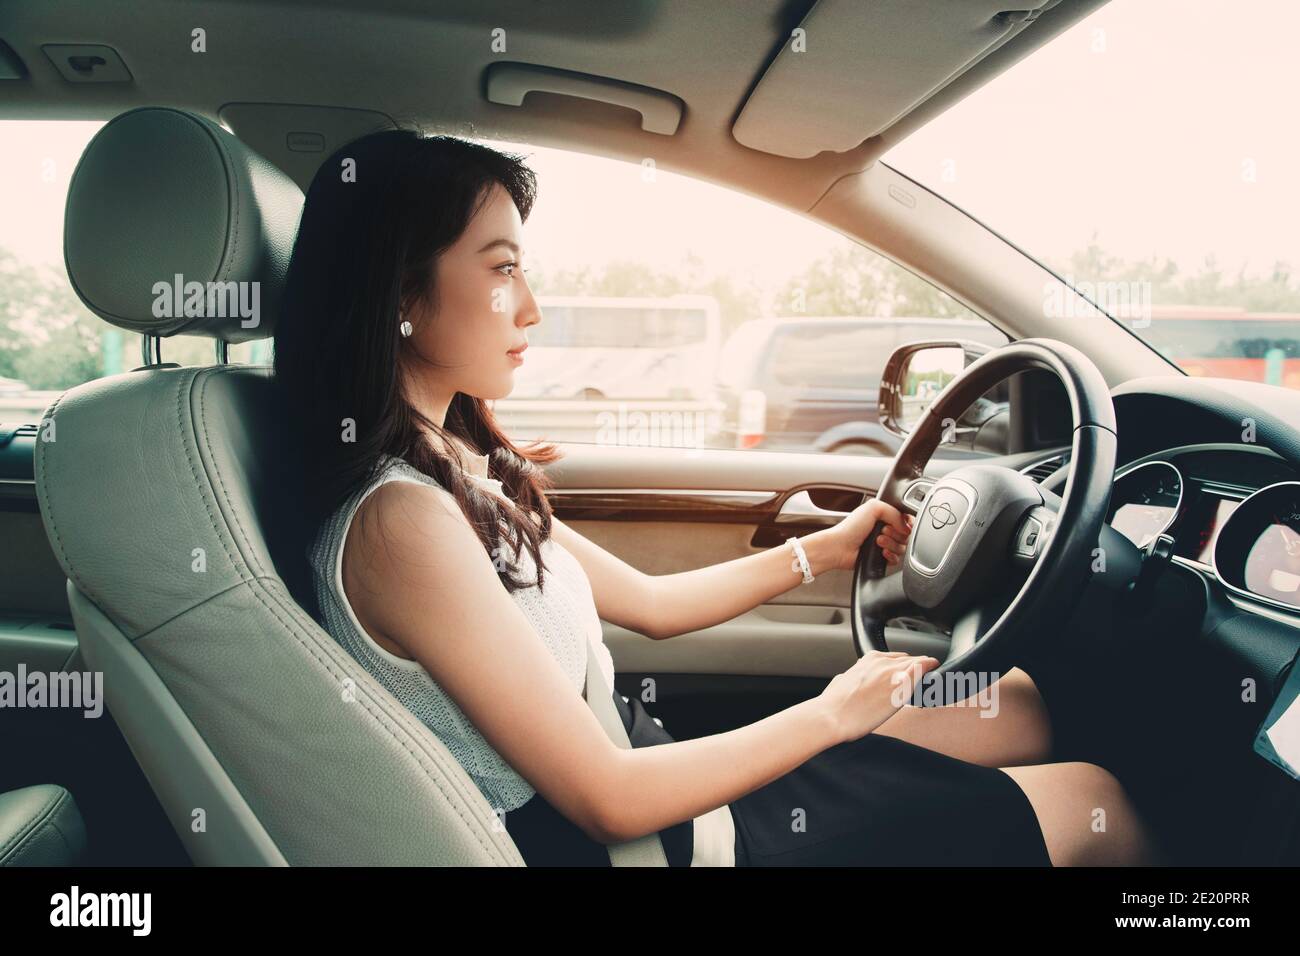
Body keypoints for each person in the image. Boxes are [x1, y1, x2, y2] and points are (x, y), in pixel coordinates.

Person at [274, 129, 1157, 867]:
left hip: (653, 779)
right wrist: (830, 712)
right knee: (1096, 807)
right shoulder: (400, 523)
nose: (533, 309)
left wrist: (830, 546)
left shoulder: (455, 465)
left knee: (1018, 707)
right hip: (649, 844)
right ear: (400, 294)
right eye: (502, 269)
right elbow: (609, 801)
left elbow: (653, 605)